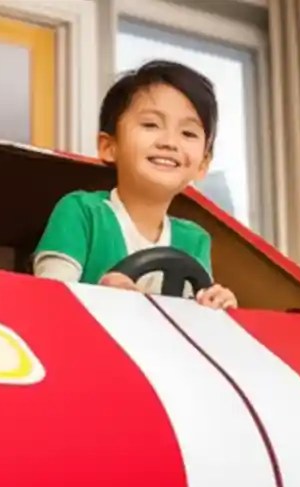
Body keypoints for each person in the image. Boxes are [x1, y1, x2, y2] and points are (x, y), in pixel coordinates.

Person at [32, 60, 238, 309]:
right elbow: (47, 300)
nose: (169, 142)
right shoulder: (80, 212)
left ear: (203, 164)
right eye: (151, 125)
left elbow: (193, 326)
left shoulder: (195, 240)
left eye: (188, 133)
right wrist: (99, 295)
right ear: (109, 146)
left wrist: (217, 309)